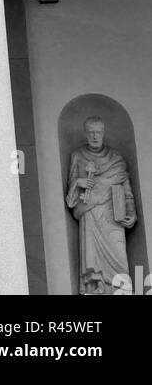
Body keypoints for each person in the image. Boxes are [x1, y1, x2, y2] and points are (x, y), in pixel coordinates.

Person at [66, 116, 137, 294]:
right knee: (93, 260)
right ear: (86, 134)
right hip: (90, 215)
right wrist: (78, 183)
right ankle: (94, 289)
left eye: (98, 132)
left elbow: (127, 192)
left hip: (113, 216)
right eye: (91, 133)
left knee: (120, 259)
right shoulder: (78, 155)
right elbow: (71, 195)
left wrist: (132, 213)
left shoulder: (116, 158)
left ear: (104, 133)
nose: (95, 136)